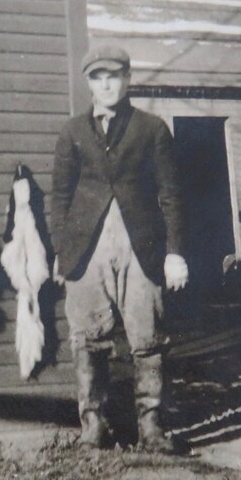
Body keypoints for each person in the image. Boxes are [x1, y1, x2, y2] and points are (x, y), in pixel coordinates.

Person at [50, 45, 188, 452]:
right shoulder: (72, 132)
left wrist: (175, 252)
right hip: (86, 248)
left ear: (128, 79)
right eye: (98, 76)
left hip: (140, 244)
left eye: (114, 75)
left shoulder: (152, 128)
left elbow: (172, 195)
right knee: (87, 336)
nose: (106, 83)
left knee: (148, 337)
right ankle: (94, 426)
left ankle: (152, 427)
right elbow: (59, 197)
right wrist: (62, 249)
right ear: (88, 82)